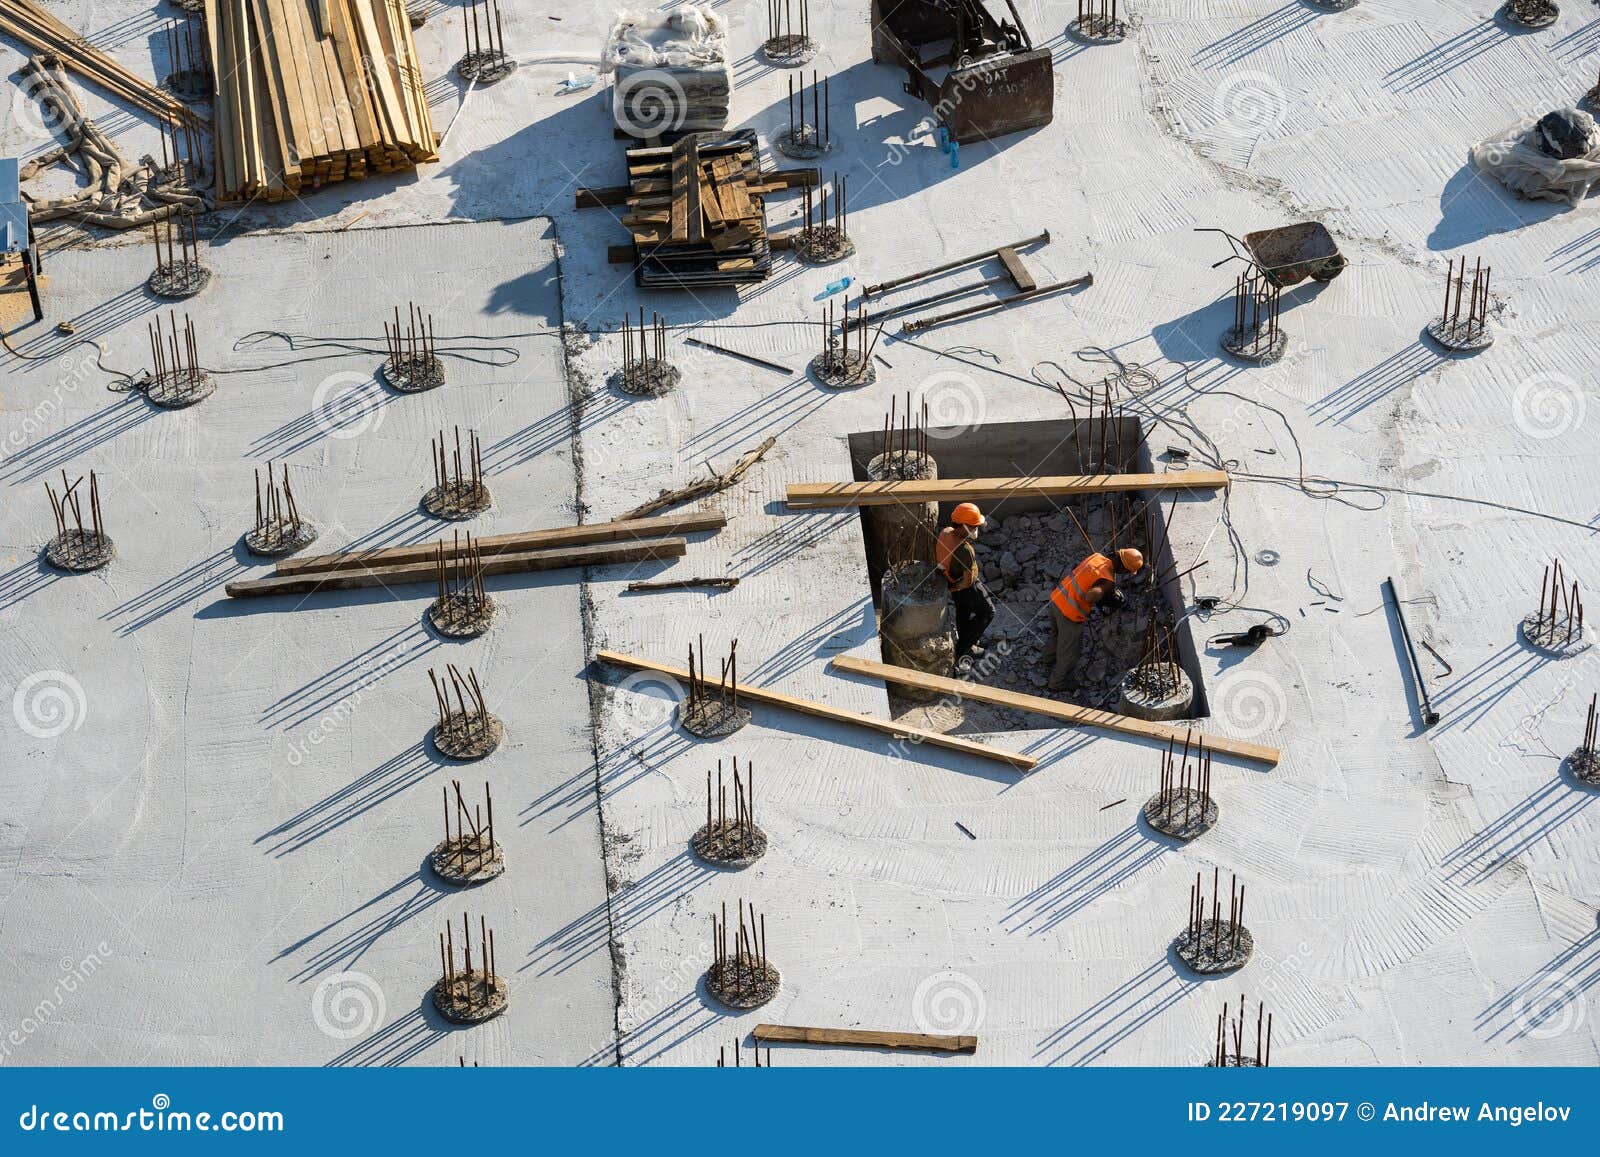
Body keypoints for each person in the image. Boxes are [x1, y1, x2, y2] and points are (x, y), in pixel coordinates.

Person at [1047, 546, 1144, 692]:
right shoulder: (1107, 580)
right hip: (1069, 614)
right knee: (1069, 652)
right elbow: (1090, 595)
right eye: (1127, 571)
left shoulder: (1096, 557)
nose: (1126, 574)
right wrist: (1102, 596)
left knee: (1056, 636)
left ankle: (1045, 661)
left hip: (1056, 599)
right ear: (1124, 567)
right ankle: (1056, 683)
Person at [936, 502, 994, 667]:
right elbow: (968, 580)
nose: (977, 529)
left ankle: (967, 641)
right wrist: (962, 588)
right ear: (963, 526)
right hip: (966, 587)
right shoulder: (965, 550)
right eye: (974, 526)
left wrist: (954, 588)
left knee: (964, 613)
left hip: (952, 583)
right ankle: (964, 649)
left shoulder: (945, 532)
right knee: (988, 611)